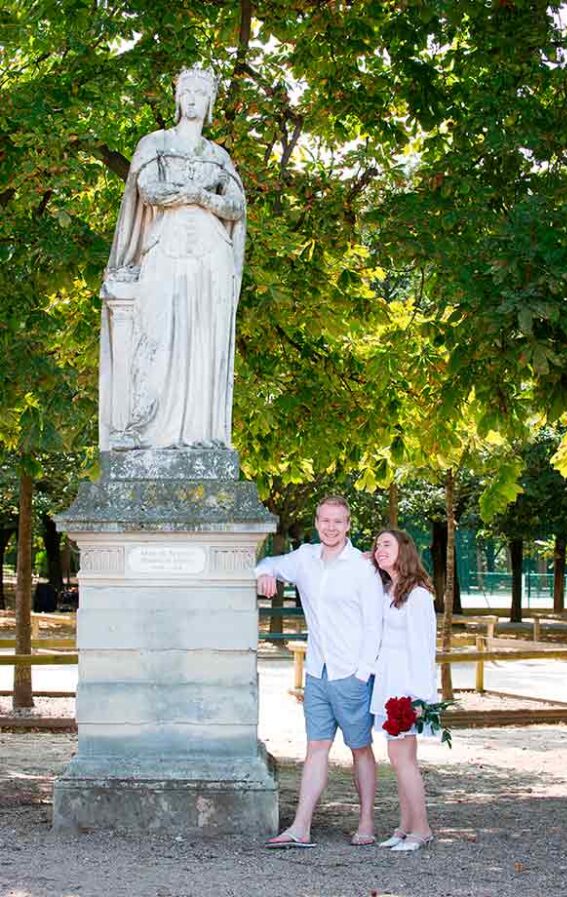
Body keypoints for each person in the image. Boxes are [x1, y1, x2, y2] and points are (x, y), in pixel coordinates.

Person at [101, 65, 246, 450]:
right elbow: (148, 189)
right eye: (188, 92)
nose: (194, 99)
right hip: (165, 249)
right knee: (157, 338)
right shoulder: (155, 143)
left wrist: (203, 198)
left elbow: (235, 206)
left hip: (211, 254)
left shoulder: (218, 155)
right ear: (178, 98)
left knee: (203, 342)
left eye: (202, 93)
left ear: (210, 102)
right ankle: (143, 429)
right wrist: (190, 194)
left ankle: (200, 433)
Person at [255, 496, 385, 848]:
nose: (331, 527)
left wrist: (362, 674)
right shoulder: (305, 558)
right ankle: (301, 827)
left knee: (360, 748)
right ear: (316, 522)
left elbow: (375, 625)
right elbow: (266, 561)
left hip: (351, 673)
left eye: (338, 521)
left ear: (348, 525)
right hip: (317, 671)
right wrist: (264, 574)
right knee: (316, 747)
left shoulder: (363, 567)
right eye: (325, 521)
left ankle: (367, 822)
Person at [367, 528, 439, 852]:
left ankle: (421, 829)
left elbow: (423, 651)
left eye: (387, 544)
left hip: (406, 687)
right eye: (377, 545)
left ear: (404, 550)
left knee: (404, 759)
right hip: (387, 682)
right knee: (397, 759)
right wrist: (370, 558)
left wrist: (419, 699)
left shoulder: (418, 595)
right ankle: (404, 825)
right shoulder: (387, 591)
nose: (379, 549)